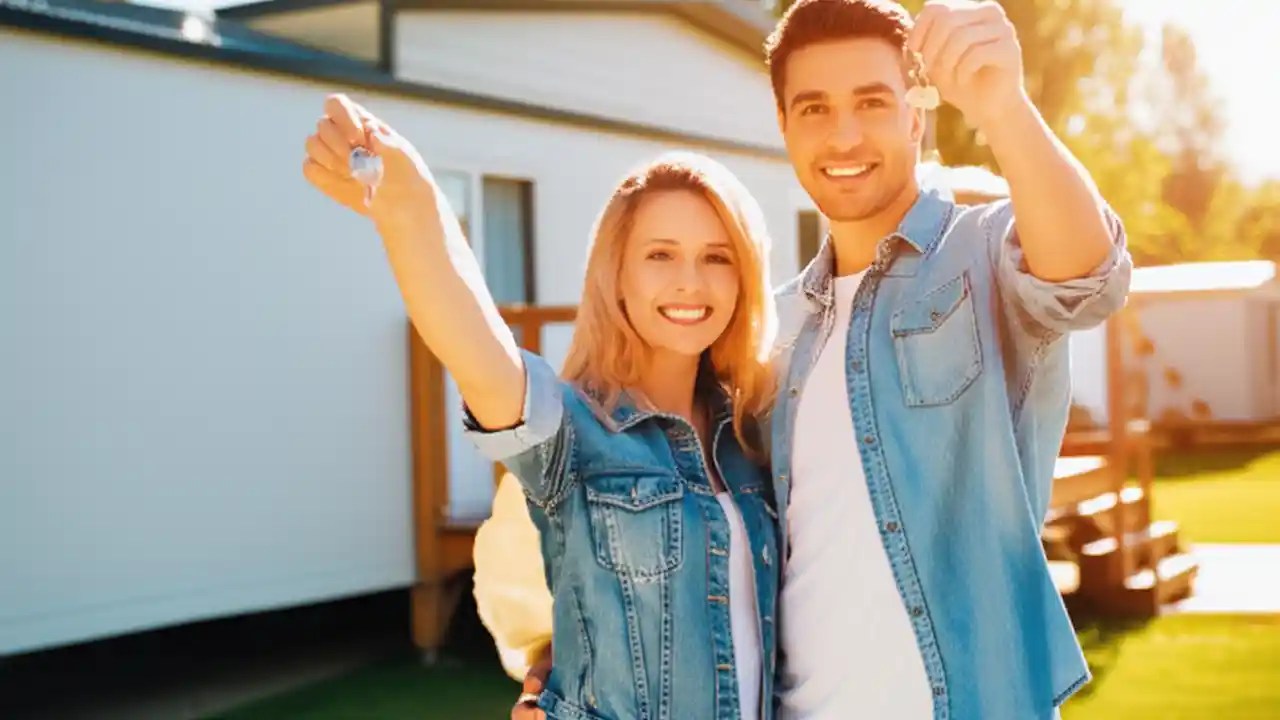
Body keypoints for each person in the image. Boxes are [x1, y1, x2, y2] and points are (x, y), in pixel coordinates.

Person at [485, 1, 1133, 719]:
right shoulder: (777, 331)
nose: (844, 133)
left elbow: (1088, 278)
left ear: (915, 116)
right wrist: (557, 669)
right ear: (785, 128)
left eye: (872, 102)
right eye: (815, 107)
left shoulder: (987, 254)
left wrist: (1004, 106)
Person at [301, 103, 785, 720]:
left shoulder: (755, 436)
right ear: (618, 277)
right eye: (660, 255)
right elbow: (476, 349)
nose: (690, 281)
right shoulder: (575, 434)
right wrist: (413, 211)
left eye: (717, 257)